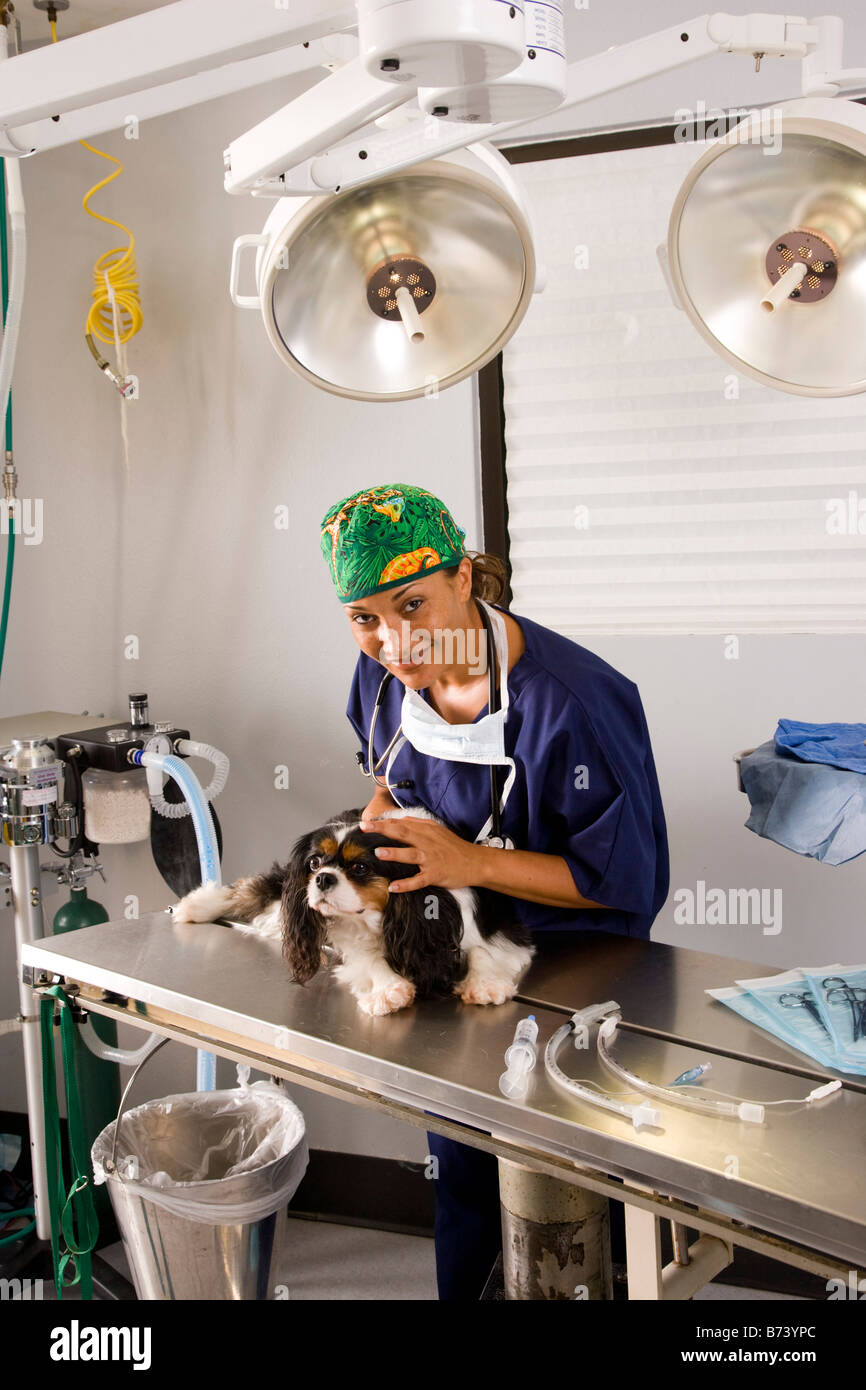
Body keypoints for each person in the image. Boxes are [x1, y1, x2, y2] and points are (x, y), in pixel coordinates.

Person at [320, 482, 669, 1299]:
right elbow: (389, 784)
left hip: (584, 960)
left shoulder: (574, 702)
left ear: (467, 580)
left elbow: (623, 878)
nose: (394, 641)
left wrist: (466, 863)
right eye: (364, 618)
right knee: (465, 1165)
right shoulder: (382, 679)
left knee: (568, 1184)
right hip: (458, 949)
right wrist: (372, 845)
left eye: (412, 605)